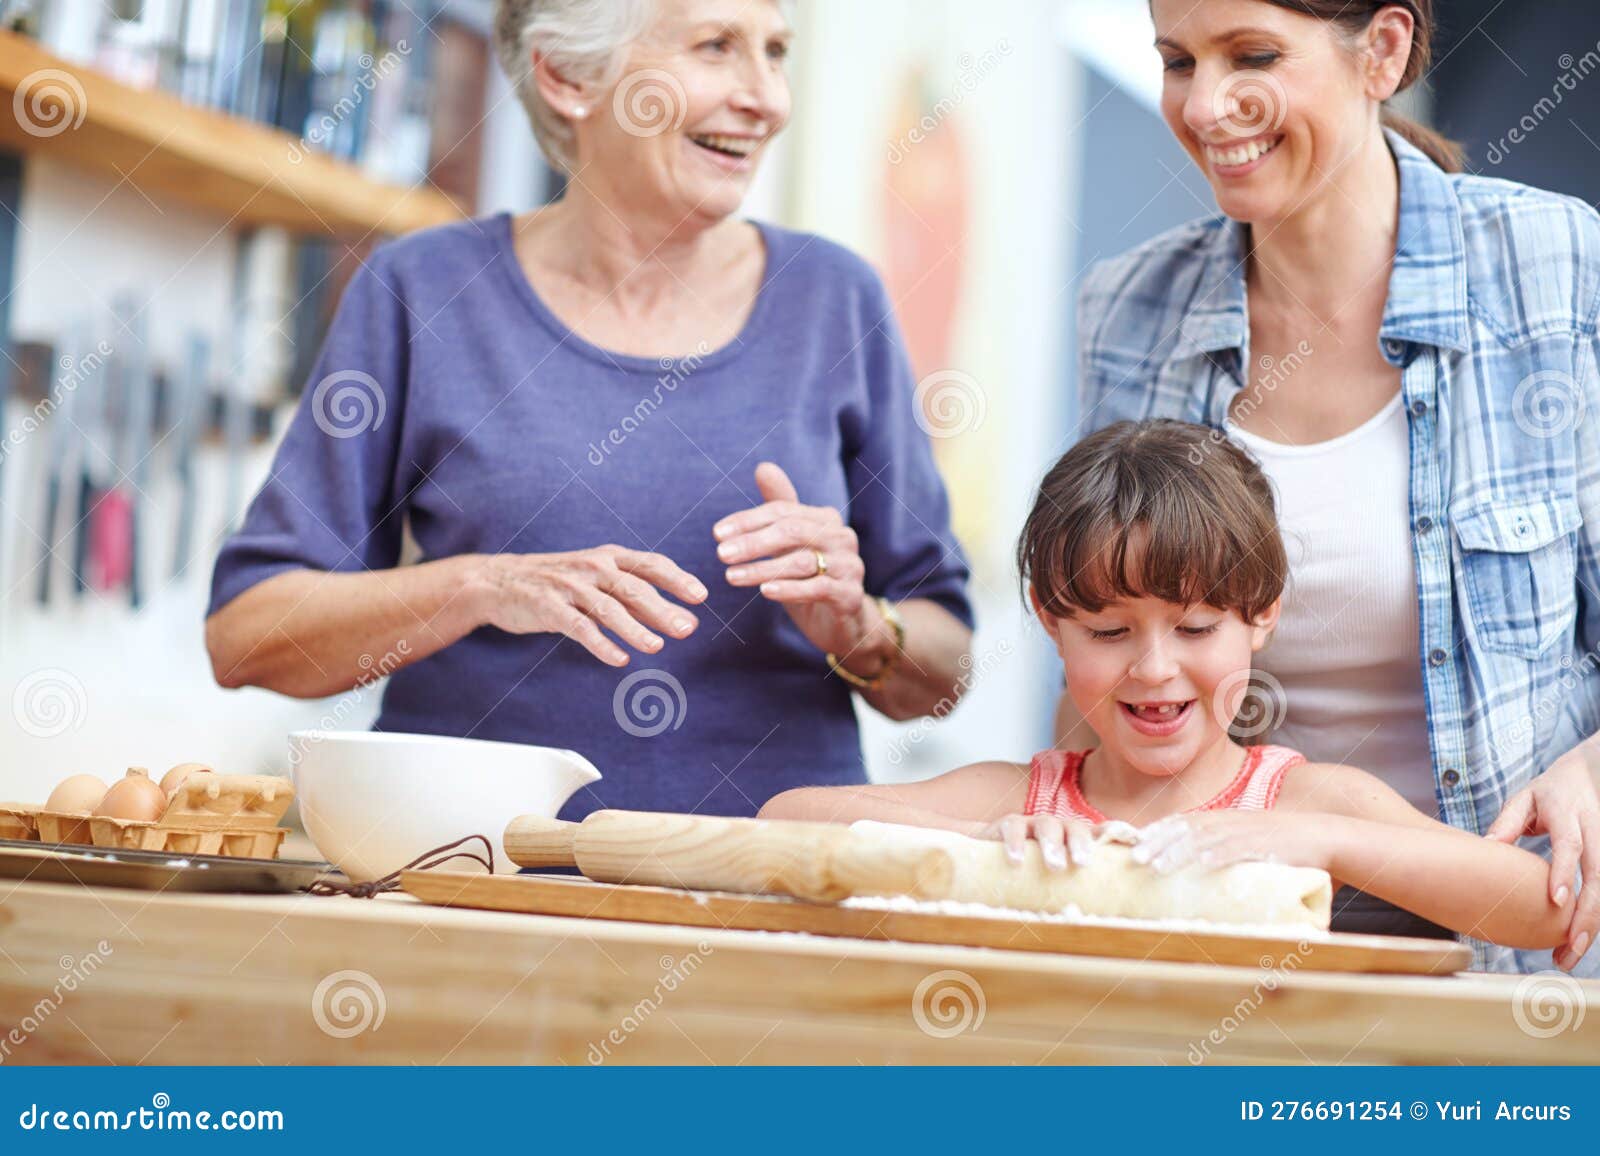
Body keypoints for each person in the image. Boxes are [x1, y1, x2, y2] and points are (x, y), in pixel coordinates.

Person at [205, 0, 974, 820]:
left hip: (764, 892)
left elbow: (948, 669)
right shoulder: (422, 290)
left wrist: (860, 626)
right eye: (716, 46)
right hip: (471, 880)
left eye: (775, 52)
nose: (768, 98)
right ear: (566, 75)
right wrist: (478, 586)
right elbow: (247, 636)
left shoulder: (833, 300)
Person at [1066, 0, 1599, 973]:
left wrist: (1594, 768)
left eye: (1253, 55)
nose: (1208, 105)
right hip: (1227, 954)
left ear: (1383, 51)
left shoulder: (1555, 269)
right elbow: (1098, 644)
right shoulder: (1129, 309)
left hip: (1515, 950)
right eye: (1178, 60)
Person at [761, 421, 1576, 952]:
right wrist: (976, 842)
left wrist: (1330, 845)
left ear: (1261, 613)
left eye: (1194, 629)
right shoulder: (1024, 805)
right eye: (1109, 633)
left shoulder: (1306, 805)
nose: (1153, 670)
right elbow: (781, 824)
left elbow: (1539, 907)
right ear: (1050, 620)